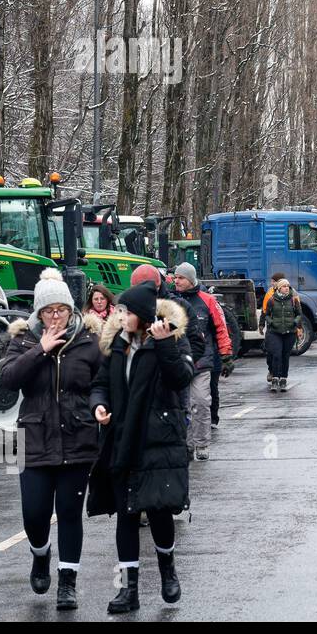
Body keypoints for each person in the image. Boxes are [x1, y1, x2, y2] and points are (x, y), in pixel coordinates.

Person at [0, 269, 103, 610]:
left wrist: (100, 406)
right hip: (35, 439)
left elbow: (101, 384)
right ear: (38, 314)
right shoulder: (25, 339)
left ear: (71, 309)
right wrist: (40, 350)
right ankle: (40, 554)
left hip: (78, 438)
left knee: (70, 513)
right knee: (34, 514)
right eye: (48, 311)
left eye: (61, 309)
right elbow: (9, 379)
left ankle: (67, 583)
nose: (56, 316)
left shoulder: (88, 341)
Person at [88, 281, 195, 613]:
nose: (121, 316)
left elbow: (181, 378)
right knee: (126, 517)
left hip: (157, 442)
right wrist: (99, 405)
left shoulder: (172, 338)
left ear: (145, 316)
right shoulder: (117, 345)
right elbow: (101, 383)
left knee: (160, 512)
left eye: (127, 311)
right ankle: (128, 590)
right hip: (122, 440)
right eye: (120, 310)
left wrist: (164, 345)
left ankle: (168, 572)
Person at [170, 262, 231, 459]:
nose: (176, 281)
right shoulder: (170, 301)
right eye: (175, 277)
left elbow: (221, 328)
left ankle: (202, 444)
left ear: (191, 279)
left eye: (181, 278)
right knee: (183, 406)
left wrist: (226, 355)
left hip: (201, 362)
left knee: (201, 402)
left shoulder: (207, 301)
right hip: (178, 363)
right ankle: (186, 445)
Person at [261, 279, 302, 392]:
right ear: (279, 288)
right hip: (275, 332)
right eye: (284, 286)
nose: (286, 288)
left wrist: (295, 322)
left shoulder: (294, 300)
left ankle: (283, 379)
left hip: (289, 332)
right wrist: (271, 322)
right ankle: (275, 379)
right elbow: (266, 314)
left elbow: (299, 314)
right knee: (276, 355)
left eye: (288, 286)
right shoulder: (272, 300)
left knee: (285, 356)